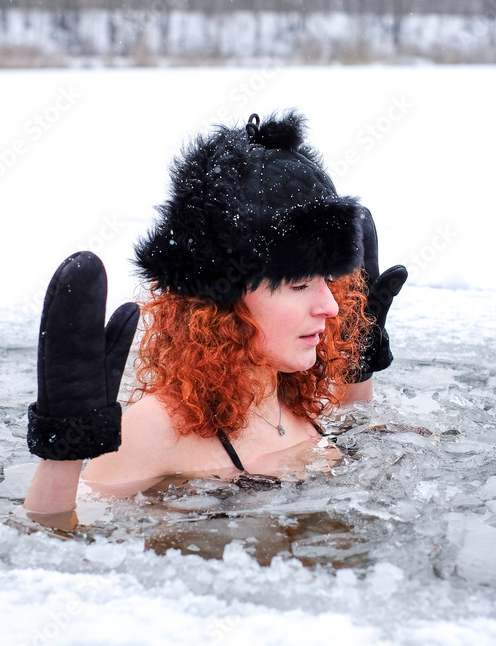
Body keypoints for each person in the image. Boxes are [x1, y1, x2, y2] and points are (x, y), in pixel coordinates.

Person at [22, 111, 406, 520]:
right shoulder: (157, 429)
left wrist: (357, 368)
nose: (330, 306)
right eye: (299, 286)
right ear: (221, 301)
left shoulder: (294, 397)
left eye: (326, 280)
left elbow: (356, 432)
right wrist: (63, 450)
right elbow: (52, 543)